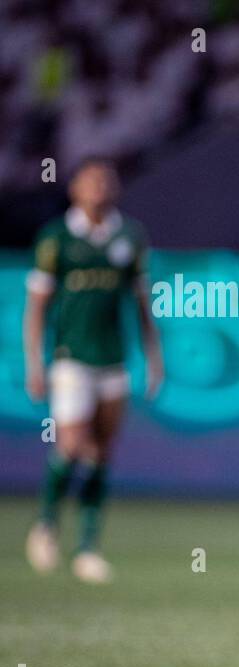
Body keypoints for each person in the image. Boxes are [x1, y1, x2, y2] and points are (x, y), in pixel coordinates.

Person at [23, 157, 164, 584]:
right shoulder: (57, 238)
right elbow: (37, 307)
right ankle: (47, 525)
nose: (100, 187)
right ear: (75, 189)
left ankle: (87, 547)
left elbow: (142, 304)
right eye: (92, 181)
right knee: (70, 445)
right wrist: (35, 361)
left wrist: (153, 358)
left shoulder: (129, 236)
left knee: (101, 451)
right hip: (71, 357)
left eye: (107, 180)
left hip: (113, 359)